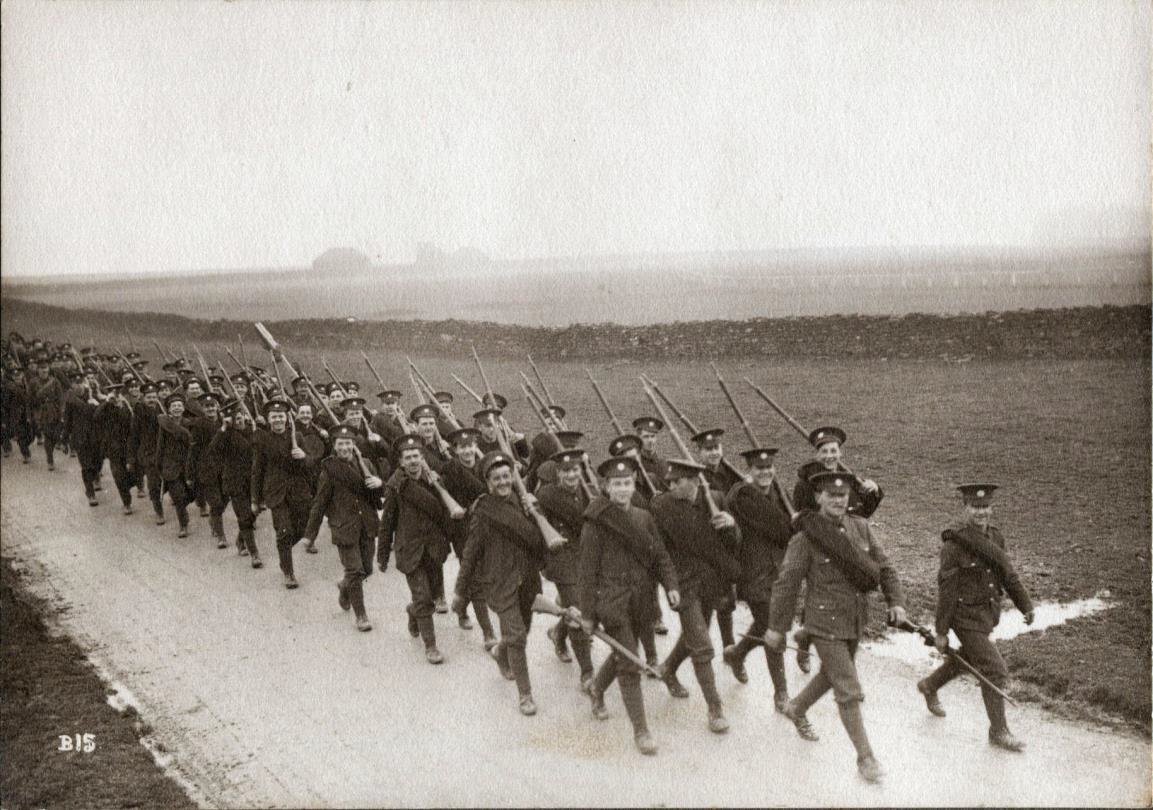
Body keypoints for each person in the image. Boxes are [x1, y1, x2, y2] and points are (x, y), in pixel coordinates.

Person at [766, 471, 906, 784]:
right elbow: (787, 584)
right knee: (848, 687)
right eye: (831, 495)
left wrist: (896, 601)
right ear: (818, 497)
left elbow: (885, 567)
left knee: (831, 674)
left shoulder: (861, 527)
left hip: (854, 620)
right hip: (823, 623)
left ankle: (797, 707)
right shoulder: (805, 538)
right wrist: (776, 627)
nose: (838, 500)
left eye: (843, 495)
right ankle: (865, 758)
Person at [917, 483, 1034, 752]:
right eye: (975, 507)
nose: (981, 512)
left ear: (991, 508)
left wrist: (1025, 605)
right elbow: (947, 590)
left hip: (986, 615)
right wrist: (941, 631)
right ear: (965, 508)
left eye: (985, 507)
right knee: (994, 669)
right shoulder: (954, 545)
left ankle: (930, 685)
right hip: (964, 617)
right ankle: (998, 731)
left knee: (970, 658)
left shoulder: (996, 538)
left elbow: (1007, 574)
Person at [579, 456, 680, 756]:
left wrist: (671, 586)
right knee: (630, 663)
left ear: (634, 484)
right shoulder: (595, 522)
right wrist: (587, 615)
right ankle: (641, 731)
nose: (623, 489)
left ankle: (597, 688)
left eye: (627, 483)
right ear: (606, 487)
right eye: (617, 484)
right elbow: (586, 573)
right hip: (612, 604)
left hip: (641, 601)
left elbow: (660, 555)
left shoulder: (643, 517)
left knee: (624, 653)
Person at [454, 451, 550, 716]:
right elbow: (470, 554)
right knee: (517, 636)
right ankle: (525, 694)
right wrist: (460, 591)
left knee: (521, 632)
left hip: (527, 581)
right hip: (500, 584)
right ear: (488, 482)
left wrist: (535, 511)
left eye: (506, 476)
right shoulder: (483, 511)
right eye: (496, 478)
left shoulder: (523, 501)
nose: (503, 482)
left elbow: (538, 538)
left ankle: (500, 652)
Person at [651, 458, 741, 734]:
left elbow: (733, 543)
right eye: (669, 481)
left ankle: (668, 669)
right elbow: (660, 552)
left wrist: (731, 525)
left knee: (694, 634)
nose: (671, 486)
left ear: (693, 481)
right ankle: (715, 708)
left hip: (711, 583)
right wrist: (669, 585)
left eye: (677, 482)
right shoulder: (661, 506)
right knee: (702, 644)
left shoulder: (716, 499)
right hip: (683, 584)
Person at [791, 425, 884, 673]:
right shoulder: (806, 483)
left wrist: (873, 492)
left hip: (847, 544)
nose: (830, 456)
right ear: (816, 455)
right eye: (824, 452)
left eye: (834, 451)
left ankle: (822, 645)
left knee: (846, 594)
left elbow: (860, 513)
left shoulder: (846, 480)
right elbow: (802, 519)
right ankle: (808, 645)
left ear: (840, 453)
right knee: (821, 595)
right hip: (820, 547)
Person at [722, 448, 793, 710]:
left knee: (766, 624)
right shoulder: (744, 496)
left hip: (778, 573)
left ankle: (737, 653)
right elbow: (781, 530)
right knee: (773, 627)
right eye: (759, 469)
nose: (765, 472)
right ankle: (781, 693)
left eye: (769, 467)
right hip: (753, 574)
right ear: (749, 471)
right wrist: (793, 523)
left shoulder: (778, 492)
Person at [379, 435, 456, 664]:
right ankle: (430, 646)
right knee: (423, 598)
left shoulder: (434, 481)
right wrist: (382, 555)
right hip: (410, 550)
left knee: (429, 596)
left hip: (433, 549)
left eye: (416, 456)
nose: (413, 461)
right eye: (408, 457)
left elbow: (445, 513)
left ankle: (413, 612)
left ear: (423, 458)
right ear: (401, 462)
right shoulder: (395, 486)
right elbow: (387, 522)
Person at [304, 425, 385, 632]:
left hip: (367, 524)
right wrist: (310, 535)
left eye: (348, 443)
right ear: (334, 446)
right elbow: (319, 503)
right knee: (355, 571)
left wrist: (379, 483)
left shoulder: (366, 464)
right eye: (340, 444)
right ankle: (361, 615)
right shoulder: (329, 470)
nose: (344, 448)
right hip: (344, 527)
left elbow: (378, 497)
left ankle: (344, 586)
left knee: (367, 569)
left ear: (354, 444)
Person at [536, 448, 595, 689]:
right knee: (577, 612)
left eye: (575, 469)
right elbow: (537, 526)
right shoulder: (546, 495)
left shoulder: (588, 491)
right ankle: (587, 673)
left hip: (586, 557)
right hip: (562, 559)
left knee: (581, 606)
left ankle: (558, 634)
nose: (571, 475)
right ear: (558, 473)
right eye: (566, 471)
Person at [251, 399, 316, 588]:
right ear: (268, 419)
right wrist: (255, 499)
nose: (278, 420)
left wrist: (303, 457)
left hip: (299, 492)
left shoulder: (297, 437)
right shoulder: (263, 440)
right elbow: (257, 470)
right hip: (276, 493)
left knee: (303, 529)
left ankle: (283, 550)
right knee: (284, 531)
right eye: (274, 417)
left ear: (287, 418)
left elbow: (311, 463)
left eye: (281, 416)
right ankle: (288, 572)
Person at [439, 427, 495, 643]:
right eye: (462, 447)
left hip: (487, 529)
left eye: (470, 446)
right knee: (477, 580)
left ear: (475, 446)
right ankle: (488, 633)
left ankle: (461, 606)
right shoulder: (450, 470)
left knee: (480, 575)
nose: (467, 451)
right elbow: (443, 500)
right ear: (455, 450)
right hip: (463, 532)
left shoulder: (485, 468)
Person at [207, 400, 262, 566]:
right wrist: (223, 428)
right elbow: (213, 449)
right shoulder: (226, 435)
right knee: (244, 516)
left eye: (240, 417)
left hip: (254, 481)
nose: (238, 421)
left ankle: (240, 540)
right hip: (235, 482)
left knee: (253, 514)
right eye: (234, 419)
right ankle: (254, 554)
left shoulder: (253, 430)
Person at [189, 392, 227, 548]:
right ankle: (221, 536)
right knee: (216, 503)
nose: (210, 409)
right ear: (202, 409)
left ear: (217, 406)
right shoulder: (198, 425)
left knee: (224, 500)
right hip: (206, 469)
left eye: (212, 406)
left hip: (224, 469)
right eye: (207, 407)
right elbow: (193, 451)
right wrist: (190, 473)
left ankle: (213, 518)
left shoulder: (224, 421)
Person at [155, 392, 194, 537]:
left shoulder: (189, 424)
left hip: (188, 464)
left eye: (179, 406)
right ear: (169, 409)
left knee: (191, 494)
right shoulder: (165, 425)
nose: (177, 408)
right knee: (178, 497)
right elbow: (160, 446)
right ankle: (183, 525)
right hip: (171, 466)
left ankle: (184, 508)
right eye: (173, 406)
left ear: (183, 408)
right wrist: (159, 466)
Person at [62, 373, 103, 507]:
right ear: (71, 386)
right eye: (75, 384)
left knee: (98, 461)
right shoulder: (70, 401)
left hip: (96, 436)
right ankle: (90, 493)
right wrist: (64, 441)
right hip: (80, 438)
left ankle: (96, 474)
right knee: (86, 466)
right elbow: (67, 421)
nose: (78, 386)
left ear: (84, 383)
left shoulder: (92, 395)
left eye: (80, 383)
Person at [95, 383, 136, 514]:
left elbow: (131, 422)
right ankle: (126, 503)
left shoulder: (126, 405)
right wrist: (107, 402)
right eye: (113, 393)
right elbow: (96, 417)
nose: (116, 396)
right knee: (118, 476)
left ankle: (128, 486)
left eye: (118, 393)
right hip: (113, 448)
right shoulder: (105, 406)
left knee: (134, 474)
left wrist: (121, 406)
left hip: (129, 446)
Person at [130, 383, 166, 523]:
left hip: (166, 451)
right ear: (143, 398)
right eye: (149, 397)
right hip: (149, 454)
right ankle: (159, 511)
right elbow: (134, 437)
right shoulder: (140, 412)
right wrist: (132, 458)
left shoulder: (163, 408)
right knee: (154, 485)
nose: (152, 400)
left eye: (154, 397)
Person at [29, 359, 64, 470]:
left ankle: (54, 447)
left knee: (55, 435)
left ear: (49, 369)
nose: (44, 371)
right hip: (41, 413)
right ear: (38, 370)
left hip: (54, 411)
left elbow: (61, 398)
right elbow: (29, 399)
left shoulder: (55, 381)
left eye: (45, 368)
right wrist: (31, 415)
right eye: (41, 369)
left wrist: (62, 412)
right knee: (48, 435)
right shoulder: (33, 382)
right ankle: (50, 460)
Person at [632, 416, 668, 491]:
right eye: (646, 437)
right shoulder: (634, 464)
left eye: (653, 436)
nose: (650, 440)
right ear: (638, 439)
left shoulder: (663, 464)